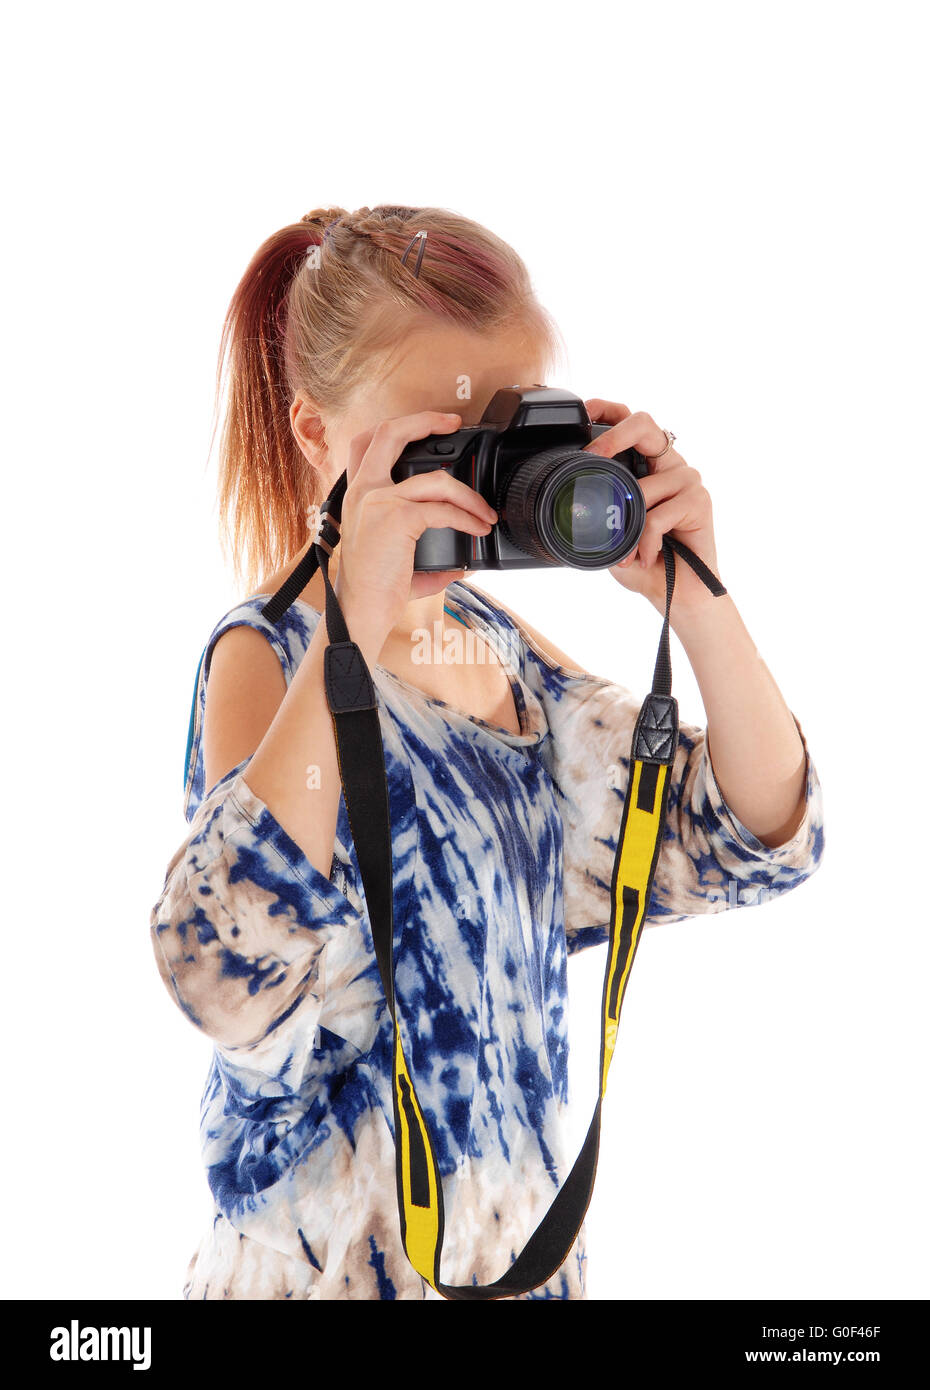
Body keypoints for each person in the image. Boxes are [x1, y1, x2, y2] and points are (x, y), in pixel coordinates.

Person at [149, 204, 825, 1301]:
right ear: (318, 435)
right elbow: (220, 976)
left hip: (512, 1269)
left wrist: (695, 595)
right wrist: (353, 633)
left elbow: (756, 838)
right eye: (435, 446)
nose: (476, 489)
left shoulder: (500, 655)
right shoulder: (264, 657)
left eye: (507, 443)